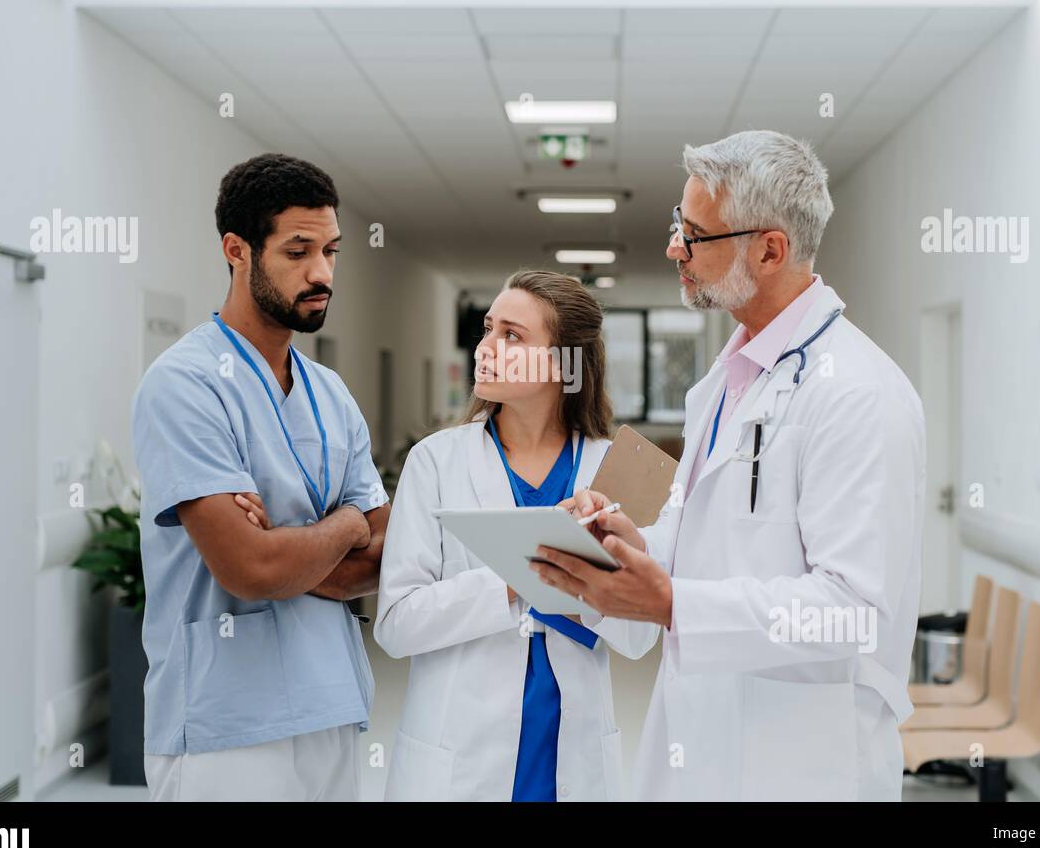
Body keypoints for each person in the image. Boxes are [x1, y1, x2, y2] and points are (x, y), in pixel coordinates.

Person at [533, 130, 925, 801]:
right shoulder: (721, 384)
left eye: (695, 234)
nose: (673, 248)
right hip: (704, 741)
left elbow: (855, 610)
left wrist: (676, 603)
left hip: (802, 761)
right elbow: (703, 540)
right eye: (677, 227)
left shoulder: (858, 393)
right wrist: (624, 545)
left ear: (769, 249)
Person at [130, 153, 390, 801]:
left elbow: (385, 556)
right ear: (237, 249)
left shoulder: (332, 394)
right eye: (298, 251)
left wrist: (289, 547)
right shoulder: (183, 384)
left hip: (332, 706)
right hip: (224, 726)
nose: (322, 272)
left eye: (331, 250)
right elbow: (250, 570)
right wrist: (346, 524)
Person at [374, 270, 658, 801]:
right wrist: (518, 574)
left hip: (568, 757)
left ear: (562, 362)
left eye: (512, 335)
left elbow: (641, 638)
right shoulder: (435, 462)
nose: (485, 348)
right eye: (487, 329)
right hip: (458, 761)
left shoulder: (614, 467)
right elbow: (395, 624)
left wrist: (590, 574)